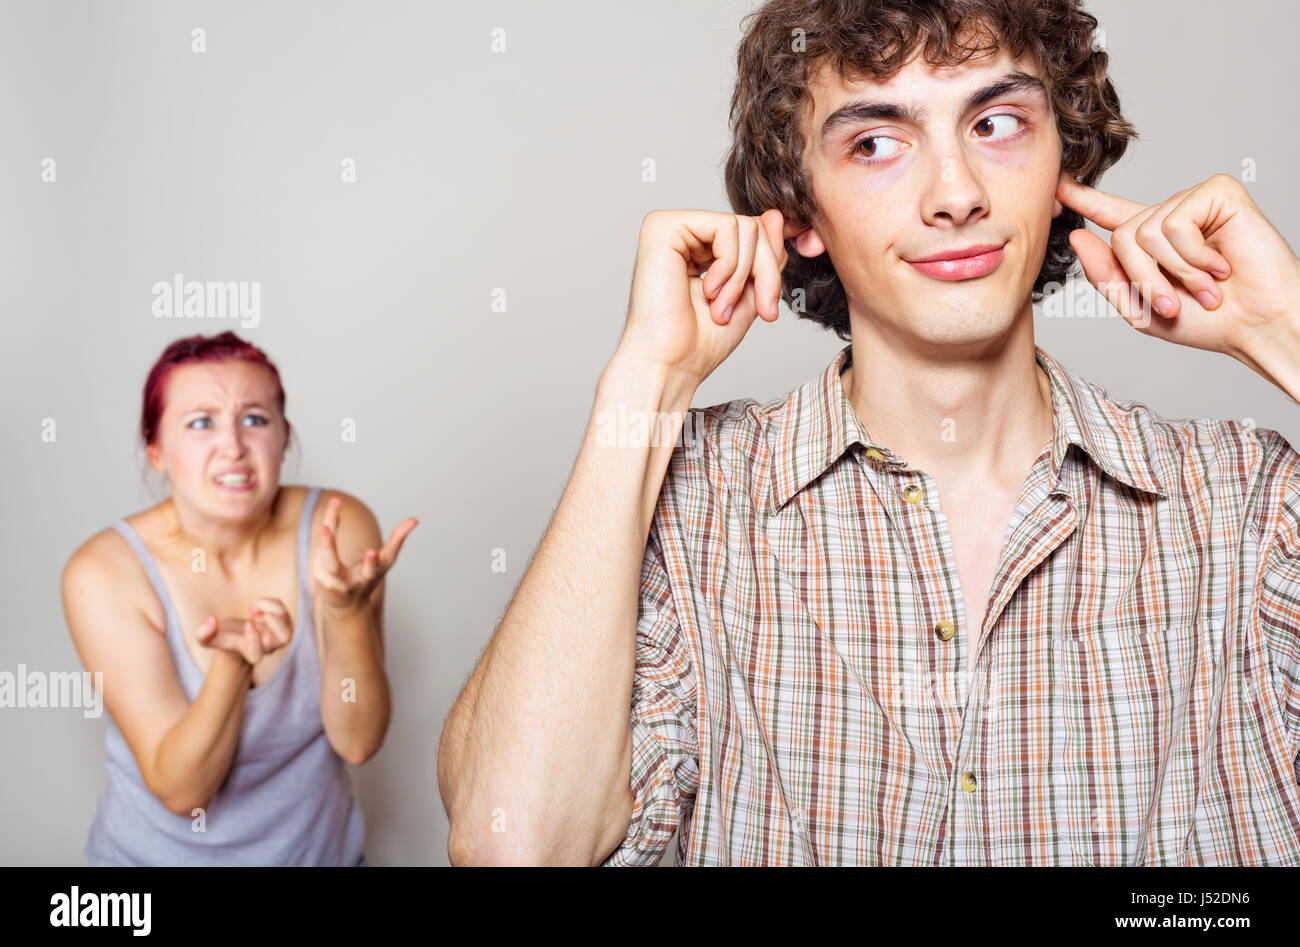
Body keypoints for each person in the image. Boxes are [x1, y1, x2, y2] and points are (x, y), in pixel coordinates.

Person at [437, 0, 1300, 865]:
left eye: (997, 124)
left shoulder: (1250, 507)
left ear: (1063, 163)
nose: (957, 194)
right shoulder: (694, 507)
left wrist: (1286, 331)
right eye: (876, 143)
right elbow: (514, 845)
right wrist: (647, 383)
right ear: (799, 212)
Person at [62, 331, 417, 865]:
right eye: (201, 422)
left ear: (283, 437)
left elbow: (359, 742)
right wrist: (233, 664)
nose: (232, 445)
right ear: (156, 449)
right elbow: (184, 791)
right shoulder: (105, 572)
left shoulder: (336, 528)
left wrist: (345, 614)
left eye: (254, 418)